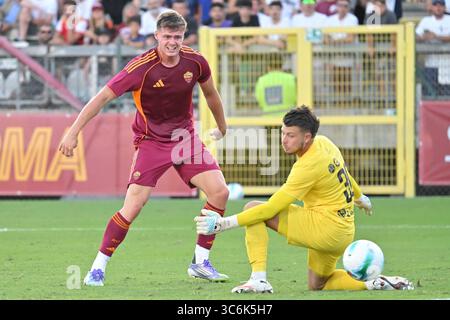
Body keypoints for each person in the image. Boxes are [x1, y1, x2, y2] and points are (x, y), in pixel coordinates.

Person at [59, 10, 230, 286]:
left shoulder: (195, 61)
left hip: (184, 139)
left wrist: (223, 127)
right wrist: (73, 131)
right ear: (156, 36)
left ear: (183, 36)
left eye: (178, 36)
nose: (173, 42)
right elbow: (102, 97)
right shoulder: (141, 67)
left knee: (220, 192)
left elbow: (211, 94)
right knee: (134, 206)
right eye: (167, 37)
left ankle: (200, 262)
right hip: (151, 142)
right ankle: (98, 267)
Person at [195, 106, 415, 293]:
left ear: (307, 137)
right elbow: (344, 173)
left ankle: (258, 279)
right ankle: (373, 284)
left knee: (254, 209)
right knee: (318, 284)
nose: (284, 140)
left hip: (324, 227)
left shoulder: (307, 165)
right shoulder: (326, 143)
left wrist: (223, 224)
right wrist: (361, 197)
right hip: (344, 231)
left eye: (291, 135)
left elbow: (270, 208)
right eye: (283, 133)